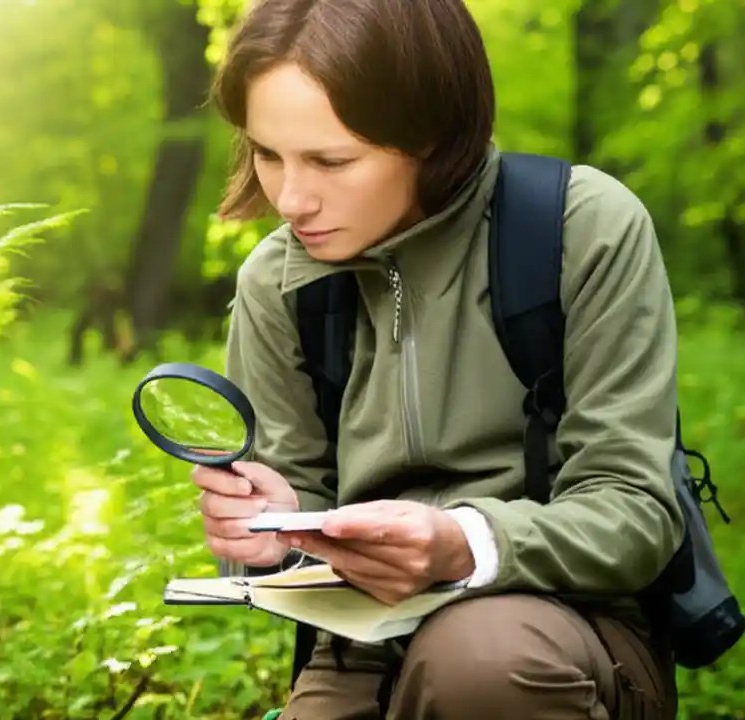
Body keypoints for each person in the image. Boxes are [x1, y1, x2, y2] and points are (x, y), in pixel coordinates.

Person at [188, 0, 684, 718]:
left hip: (564, 635)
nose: (290, 199)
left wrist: (462, 544)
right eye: (267, 154)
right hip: (361, 646)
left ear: (430, 133)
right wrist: (267, 531)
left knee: (477, 662)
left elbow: (635, 513)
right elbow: (292, 525)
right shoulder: (279, 281)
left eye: (331, 160)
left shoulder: (581, 229)